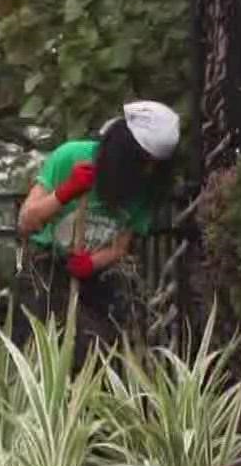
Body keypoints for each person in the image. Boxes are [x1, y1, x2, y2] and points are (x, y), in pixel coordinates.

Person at [12, 99, 181, 360]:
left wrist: (91, 263)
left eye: (155, 165)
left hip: (94, 274)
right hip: (46, 267)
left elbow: (120, 247)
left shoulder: (147, 189)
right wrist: (65, 192)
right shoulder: (71, 157)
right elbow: (26, 222)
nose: (147, 171)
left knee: (113, 344)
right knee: (64, 347)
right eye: (142, 161)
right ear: (121, 152)